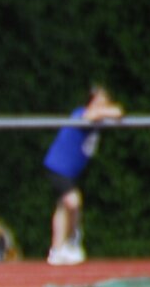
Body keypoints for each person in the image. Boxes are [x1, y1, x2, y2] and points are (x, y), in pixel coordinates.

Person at [43, 84, 124, 264]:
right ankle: (72, 240)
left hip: (69, 171)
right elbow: (100, 114)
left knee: (63, 207)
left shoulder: (96, 121)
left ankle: (57, 250)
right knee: (73, 201)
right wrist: (108, 111)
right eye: (99, 102)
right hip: (57, 167)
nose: (103, 106)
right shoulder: (81, 114)